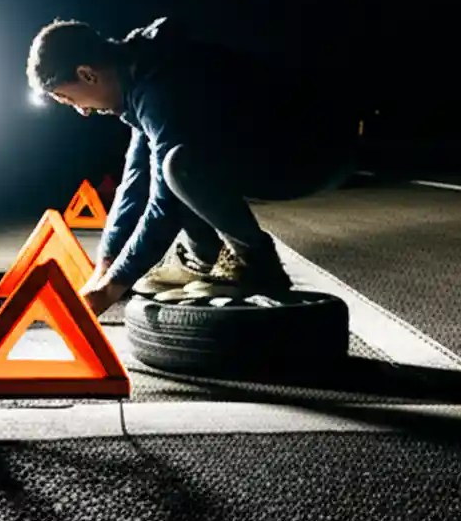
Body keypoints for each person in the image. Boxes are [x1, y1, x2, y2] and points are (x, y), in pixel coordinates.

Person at [25, 16, 356, 316]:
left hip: (313, 152)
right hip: (284, 144)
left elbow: (163, 203)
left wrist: (112, 288)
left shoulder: (161, 86)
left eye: (68, 99)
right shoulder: (139, 74)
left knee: (179, 166)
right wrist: (106, 264)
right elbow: (136, 180)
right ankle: (205, 257)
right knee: (169, 163)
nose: (82, 111)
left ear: (87, 74)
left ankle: (255, 261)